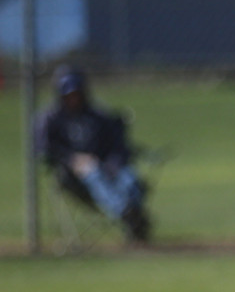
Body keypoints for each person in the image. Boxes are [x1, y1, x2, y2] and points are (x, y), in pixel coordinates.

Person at [35, 66, 151, 243]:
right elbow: (44, 150)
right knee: (93, 172)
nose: (73, 99)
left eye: (76, 94)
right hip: (75, 172)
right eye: (69, 95)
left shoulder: (98, 115)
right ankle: (126, 214)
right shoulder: (51, 118)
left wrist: (114, 163)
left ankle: (135, 219)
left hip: (108, 165)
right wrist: (72, 159)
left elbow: (117, 145)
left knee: (129, 178)